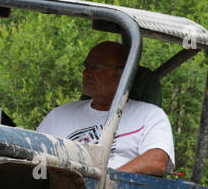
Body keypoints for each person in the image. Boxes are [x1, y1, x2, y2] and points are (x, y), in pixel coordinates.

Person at [37, 41, 174, 176]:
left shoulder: (150, 115)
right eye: (86, 66)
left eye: (95, 68)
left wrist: (105, 181)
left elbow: (156, 161)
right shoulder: (59, 115)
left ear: (123, 73)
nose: (86, 73)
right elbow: (32, 154)